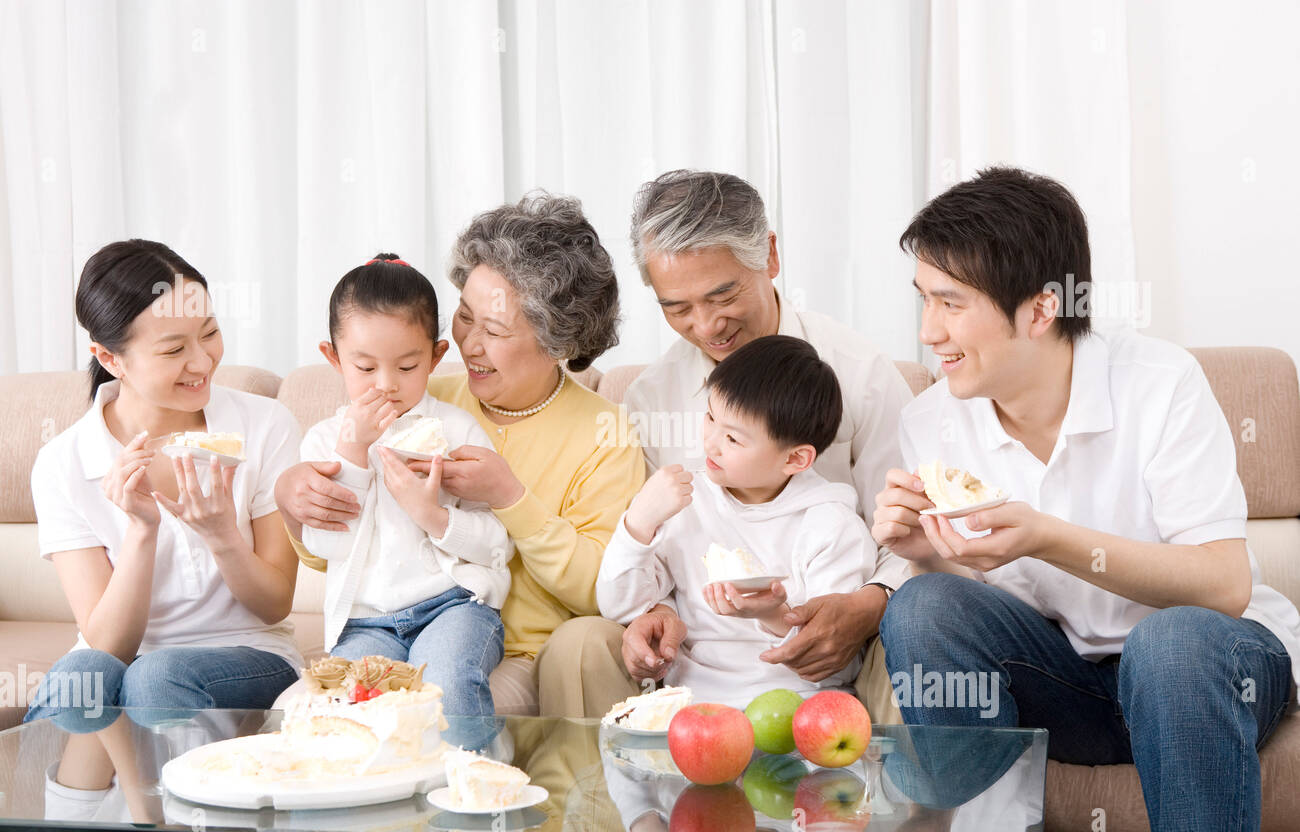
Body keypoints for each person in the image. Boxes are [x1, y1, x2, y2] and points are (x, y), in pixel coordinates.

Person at [872, 166, 1300, 832]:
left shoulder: (1159, 385)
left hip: (1210, 672)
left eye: (950, 304)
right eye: (923, 301)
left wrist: (1047, 537)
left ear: (1039, 311)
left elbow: (1224, 588)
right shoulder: (931, 421)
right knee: (923, 606)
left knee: (1170, 646)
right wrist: (929, 551)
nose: (928, 332)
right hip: (1070, 683)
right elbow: (986, 616)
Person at [538, 169, 913, 724]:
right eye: (677, 307)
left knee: (913, 640)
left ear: (769, 257)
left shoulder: (862, 377)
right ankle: (618, 809)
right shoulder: (652, 397)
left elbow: (916, 533)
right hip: (700, 663)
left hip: (830, 649)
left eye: (723, 294)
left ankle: (883, 807)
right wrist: (653, 613)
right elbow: (650, 554)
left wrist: (868, 604)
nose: (707, 325)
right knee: (577, 644)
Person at [274, 193, 644, 719]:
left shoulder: (604, 433)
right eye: (465, 317)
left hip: (517, 649)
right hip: (390, 629)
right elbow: (337, 553)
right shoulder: (420, 397)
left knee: (441, 702)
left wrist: (510, 497)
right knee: (308, 714)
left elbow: (599, 590)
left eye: (493, 331)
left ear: (555, 340)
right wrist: (295, 501)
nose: (469, 344)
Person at [25, 238, 303, 730]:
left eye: (210, 333)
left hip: (250, 652)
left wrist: (222, 536)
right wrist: (141, 530)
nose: (202, 362)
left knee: (157, 676)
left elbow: (274, 604)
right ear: (111, 359)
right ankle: (61, 809)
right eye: (174, 349)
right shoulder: (62, 462)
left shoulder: (265, 425)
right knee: (79, 679)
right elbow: (109, 645)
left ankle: (167, 806)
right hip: (125, 655)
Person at [597, 335, 872, 707]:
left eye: (733, 439)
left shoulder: (831, 526)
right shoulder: (685, 500)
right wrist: (639, 523)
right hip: (693, 707)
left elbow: (831, 665)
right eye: (710, 417)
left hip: (800, 705)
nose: (710, 443)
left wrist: (772, 614)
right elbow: (618, 606)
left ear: (795, 460)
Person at [296, 253, 511, 727]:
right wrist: (352, 456)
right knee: (346, 709)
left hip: (453, 607)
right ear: (333, 358)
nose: (387, 385)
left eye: (408, 366)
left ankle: (473, 789)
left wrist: (433, 516)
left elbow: (498, 545)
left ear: (435, 357)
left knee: (448, 686)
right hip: (366, 621)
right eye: (366, 368)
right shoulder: (322, 443)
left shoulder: (456, 428)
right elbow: (323, 544)